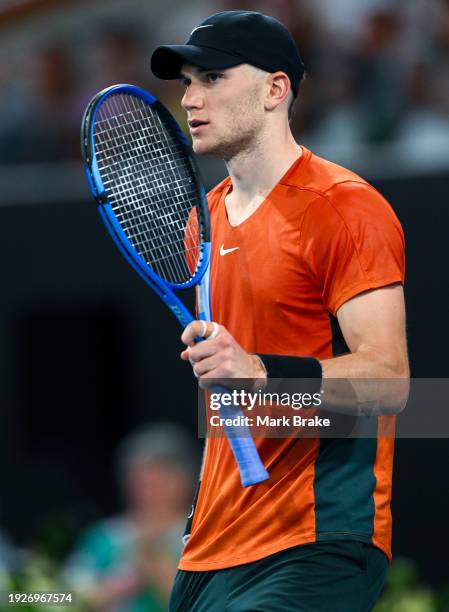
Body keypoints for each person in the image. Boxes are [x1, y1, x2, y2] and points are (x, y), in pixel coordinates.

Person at [150, 10, 409, 612]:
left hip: (315, 538)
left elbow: (392, 381)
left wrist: (262, 375)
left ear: (275, 89)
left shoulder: (345, 208)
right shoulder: (203, 222)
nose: (190, 97)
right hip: (209, 550)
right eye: (187, 81)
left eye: (212, 78)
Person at [64, 423, 198, 611]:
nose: (148, 490)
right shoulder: (105, 537)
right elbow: (64, 597)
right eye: (140, 479)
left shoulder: (203, 538)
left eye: (160, 479)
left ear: (184, 480)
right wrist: (107, 590)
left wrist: (154, 566)